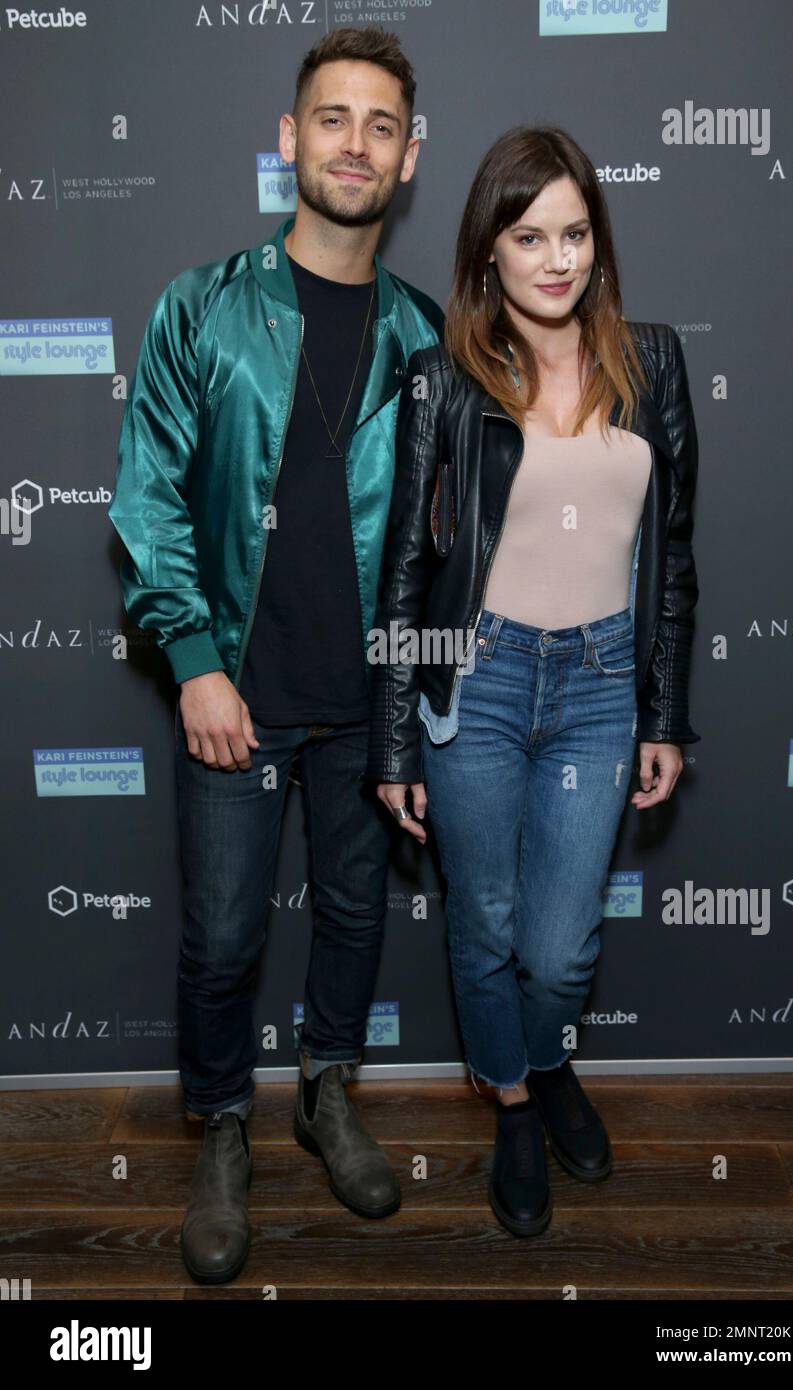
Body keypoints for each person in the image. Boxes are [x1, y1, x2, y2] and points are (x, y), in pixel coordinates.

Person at [107, 27, 445, 1284]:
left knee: (354, 916)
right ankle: (221, 1125)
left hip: (368, 706)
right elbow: (147, 496)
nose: (355, 144)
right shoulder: (200, 305)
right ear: (290, 138)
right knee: (222, 937)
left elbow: (441, 542)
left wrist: (421, 698)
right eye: (332, 118)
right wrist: (194, 658)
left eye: (379, 125)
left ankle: (324, 1090)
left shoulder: (424, 337)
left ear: (408, 157)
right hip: (235, 698)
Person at [366, 125, 701, 1238]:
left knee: (557, 952)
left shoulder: (651, 362)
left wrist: (663, 713)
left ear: (597, 242)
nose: (555, 259)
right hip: (481, 679)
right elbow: (407, 569)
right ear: (487, 252)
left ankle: (546, 1057)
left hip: (601, 685)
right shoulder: (443, 378)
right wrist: (396, 741)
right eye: (527, 236)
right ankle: (513, 1101)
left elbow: (670, 556)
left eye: (574, 234)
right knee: (487, 923)